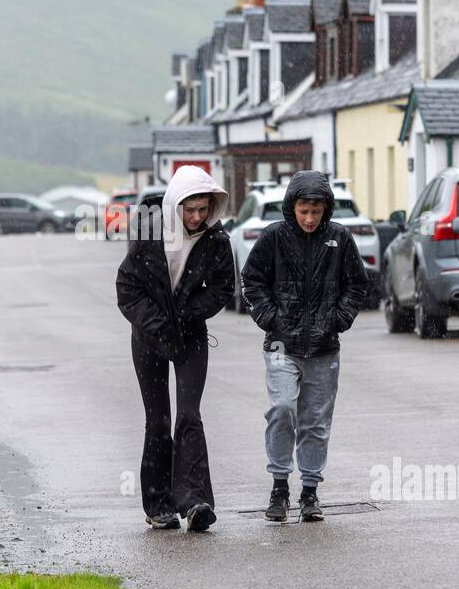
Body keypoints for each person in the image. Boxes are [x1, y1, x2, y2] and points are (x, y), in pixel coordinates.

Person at [240, 170, 370, 523]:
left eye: (316, 211)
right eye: (303, 211)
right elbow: (251, 280)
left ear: (325, 209)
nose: (310, 219)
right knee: (282, 409)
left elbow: (357, 284)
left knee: (315, 421)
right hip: (282, 345)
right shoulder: (274, 238)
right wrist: (271, 318)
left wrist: (337, 320)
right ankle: (279, 486)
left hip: (325, 349)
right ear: (292, 208)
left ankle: (310, 491)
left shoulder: (340, 240)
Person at [116, 165, 233, 532]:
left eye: (203, 209)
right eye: (189, 209)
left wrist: (186, 315)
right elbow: (127, 290)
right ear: (174, 206)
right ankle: (159, 505)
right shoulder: (149, 231)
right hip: (149, 336)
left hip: (190, 336)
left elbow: (223, 289)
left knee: (189, 415)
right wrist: (161, 323)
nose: (197, 217)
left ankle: (196, 501)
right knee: (158, 420)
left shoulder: (216, 240)